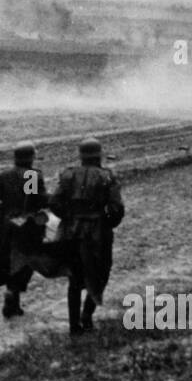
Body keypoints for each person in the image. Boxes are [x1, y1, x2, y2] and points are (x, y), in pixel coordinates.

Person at [50, 138, 124, 335]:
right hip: (98, 231)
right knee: (101, 272)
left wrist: (68, 217)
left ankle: (74, 325)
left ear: (81, 156)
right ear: (99, 155)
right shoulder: (107, 176)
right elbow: (117, 208)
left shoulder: (68, 175)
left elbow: (54, 202)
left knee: (75, 278)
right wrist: (108, 223)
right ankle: (87, 316)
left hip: (71, 231)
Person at [0, 141, 49, 318]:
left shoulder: (2, 177)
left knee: (9, 261)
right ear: (31, 158)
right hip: (28, 228)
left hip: (7, 227)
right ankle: (12, 298)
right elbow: (33, 201)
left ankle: (13, 300)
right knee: (26, 262)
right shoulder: (31, 176)